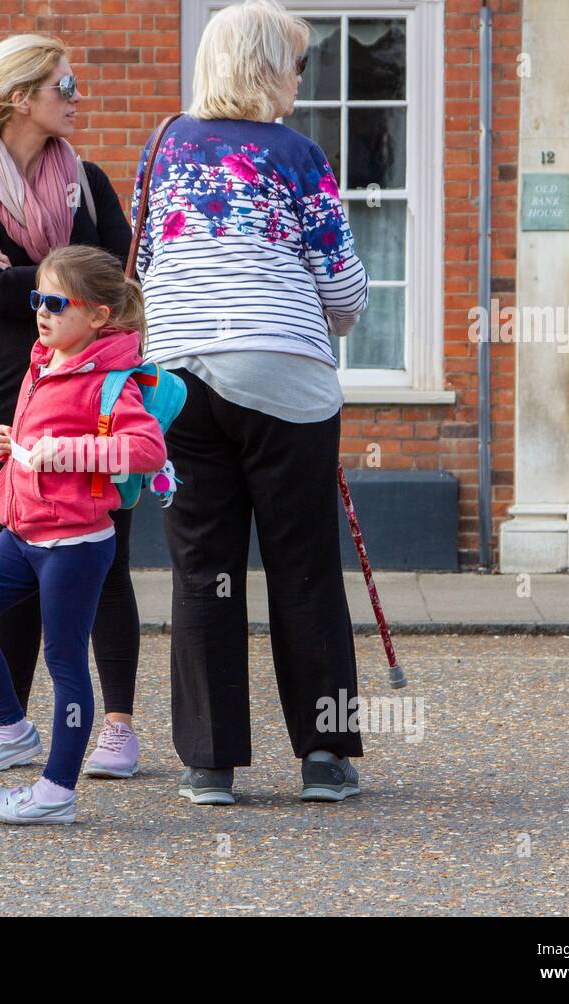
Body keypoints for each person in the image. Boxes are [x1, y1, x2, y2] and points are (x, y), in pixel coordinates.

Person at [131, 0, 369, 805]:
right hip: (283, 376)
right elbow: (341, 286)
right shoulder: (299, 155)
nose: (303, 77)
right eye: (296, 62)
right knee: (304, 566)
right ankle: (325, 758)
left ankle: (209, 763)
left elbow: (151, 254)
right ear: (269, 67)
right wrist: (327, 309)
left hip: (178, 376)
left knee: (203, 566)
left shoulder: (163, 145)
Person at [0, 34, 148, 778]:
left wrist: (24, 273)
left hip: (98, 398)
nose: (77, 95)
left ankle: (117, 726)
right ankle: (13, 727)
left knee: (108, 558)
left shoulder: (86, 181)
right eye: (65, 84)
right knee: (19, 557)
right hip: (7, 398)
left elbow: (122, 284)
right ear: (23, 97)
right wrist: (65, 283)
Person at [0, 245, 166, 824]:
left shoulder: (113, 378)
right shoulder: (44, 360)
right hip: (24, 532)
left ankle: (55, 793)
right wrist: (1, 441)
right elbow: (30, 439)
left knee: (66, 664)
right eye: (38, 298)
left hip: (75, 545)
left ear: (98, 316)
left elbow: (146, 449)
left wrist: (67, 452)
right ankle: (11, 729)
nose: (41, 311)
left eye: (56, 302)